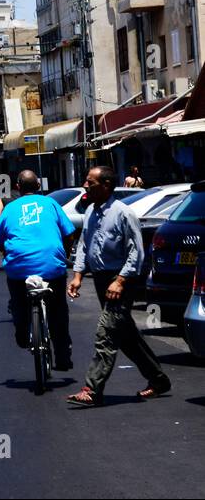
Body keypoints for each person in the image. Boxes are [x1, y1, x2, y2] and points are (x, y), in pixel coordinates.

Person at [66, 165, 171, 407]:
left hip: (121, 280)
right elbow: (84, 244)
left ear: (105, 186)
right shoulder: (91, 211)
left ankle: (92, 389)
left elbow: (137, 252)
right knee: (126, 337)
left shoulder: (124, 213)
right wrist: (78, 275)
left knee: (107, 333)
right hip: (102, 279)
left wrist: (121, 281)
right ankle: (158, 379)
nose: (85, 186)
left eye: (90, 183)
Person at [0, 170, 75, 370]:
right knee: (58, 311)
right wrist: (64, 252)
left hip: (19, 269)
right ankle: (63, 356)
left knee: (18, 301)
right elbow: (69, 233)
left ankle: (22, 331)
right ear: (39, 186)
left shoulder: (10, 208)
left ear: (18, 188)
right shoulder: (51, 204)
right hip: (52, 267)